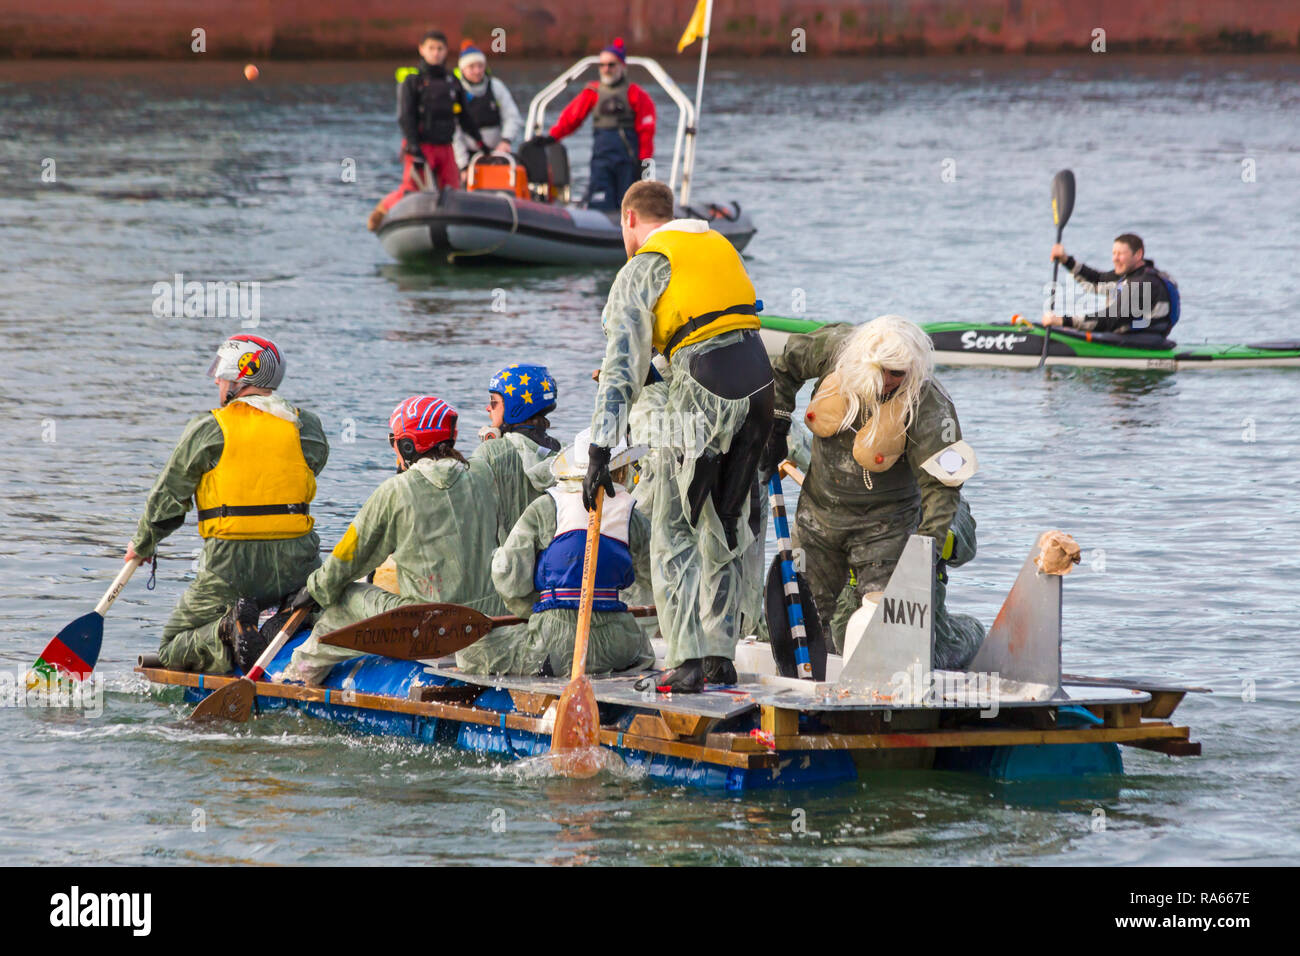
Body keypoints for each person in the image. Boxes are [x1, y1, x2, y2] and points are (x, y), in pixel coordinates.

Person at [585, 180, 772, 693]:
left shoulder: (643, 266)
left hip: (706, 386)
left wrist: (601, 449)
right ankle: (719, 656)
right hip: (759, 386)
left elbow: (621, 365)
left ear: (630, 220)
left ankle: (686, 662)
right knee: (724, 524)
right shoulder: (718, 245)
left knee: (674, 527)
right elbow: (716, 324)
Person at [762, 315, 985, 670]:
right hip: (819, 513)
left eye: (898, 374)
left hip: (886, 523)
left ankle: (957, 640)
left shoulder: (929, 403)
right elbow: (784, 366)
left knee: (881, 620)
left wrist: (922, 552)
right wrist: (776, 421)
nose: (888, 383)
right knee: (802, 611)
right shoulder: (834, 348)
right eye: (882, 371)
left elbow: (941, 487)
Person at [282, 396, 528, 684]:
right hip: (487, 621)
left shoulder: (396, 490)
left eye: (394, 440)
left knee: (345, 597)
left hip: (429, 629)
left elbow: (350, 557)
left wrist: (314, 590)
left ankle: (296, 678)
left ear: (408, 445)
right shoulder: (484, 474)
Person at [125, 335, 329, 674]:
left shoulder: (208, 428)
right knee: (319, 604)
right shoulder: (306, 426)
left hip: (230, 564)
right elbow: (312, 463)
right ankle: (286, 622)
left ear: (240, 379)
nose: (218, 381)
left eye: (222, 374)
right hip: (296, 560)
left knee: (172, 644)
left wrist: (144, 543)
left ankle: (224, 631)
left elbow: (169, 496)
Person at [469, 432, 655, 676]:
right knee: (644, 649)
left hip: (555, 640)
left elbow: (508, 576)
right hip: (619, 643)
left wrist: (534, 611)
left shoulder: (546, 507)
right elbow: (655, 578)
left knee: (471, 652)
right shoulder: (633, 515)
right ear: (621, 471)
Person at [367, 29, 488, 232]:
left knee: (451, 191)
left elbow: (464, 118)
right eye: (431, 48)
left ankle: (447, 230)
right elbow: (406, 117)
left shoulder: (452, 82)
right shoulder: (412, 82)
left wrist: (480, 143)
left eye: (440, 49)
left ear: (446, 51)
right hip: (421, 145)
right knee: (412, 190)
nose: (436, 53)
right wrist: (413, 147)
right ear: (422, 50)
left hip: (445, 146)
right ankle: (381, 211)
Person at [543, 37, 655, 211]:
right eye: (602, 65)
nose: (606, 69)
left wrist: (645, 164)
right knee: (599, 200)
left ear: (621, 66)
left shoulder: (636, 95)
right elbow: (572, 118)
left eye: (611, 65)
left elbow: (647, 132)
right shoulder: (592, 92)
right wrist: (551, 137)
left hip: (628, 162)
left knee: (628, 204)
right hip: (601, 160)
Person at [1042, 233, 1179, 336]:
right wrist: (1066, 260)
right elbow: (1095, 281)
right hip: (1126, 336)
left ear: (1138, 255)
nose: (1115, 259)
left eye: (1120, 254)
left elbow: (1110, 319)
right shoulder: (1128, 276)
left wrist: (1065, 321)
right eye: (1114, 253)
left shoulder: (1144, 283)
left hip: (1143, 341)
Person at [480, 363, 560, 494]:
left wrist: (490, 447)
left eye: (493, 401)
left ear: (514, 407)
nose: (488, 408)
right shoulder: (560, 452)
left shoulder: (490, 453)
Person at [452, 40, 523, 172]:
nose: (477, 71)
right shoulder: (456, 91)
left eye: (480, 66)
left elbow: (513, 116)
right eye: (472, 67)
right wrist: (463, 165)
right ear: (463, 69)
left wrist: (505, 141)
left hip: (497, 154)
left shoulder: (496, 86)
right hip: (467, 157)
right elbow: (454, 132)